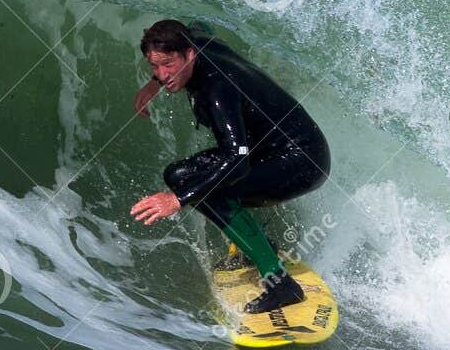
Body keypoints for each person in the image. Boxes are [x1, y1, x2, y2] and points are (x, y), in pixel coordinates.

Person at [129, 19, 330, 314]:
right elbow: (199, 24)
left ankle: (281, 285)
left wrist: (177, 200)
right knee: (178, 175)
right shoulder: (196, 41)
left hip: (302, 159)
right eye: (155, 66)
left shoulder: (217, 88)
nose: (163, 74)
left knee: (207, 189)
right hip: (266, 150)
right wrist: (154, 83)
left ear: (190, 54)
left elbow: (236, 161)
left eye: (169, 64)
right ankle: (260, 245)